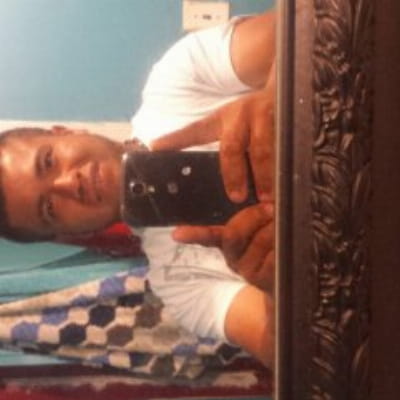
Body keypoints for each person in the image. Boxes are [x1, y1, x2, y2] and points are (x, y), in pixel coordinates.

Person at [0, 10, 276, 366]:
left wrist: (277, 97)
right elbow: (290, 350)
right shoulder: (179, 284)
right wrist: (273, 284)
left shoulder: (176, 80)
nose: (69, 184)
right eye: (49, 209)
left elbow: (308, 21)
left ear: (63, 131)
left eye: (48, 161)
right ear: (65, 233)